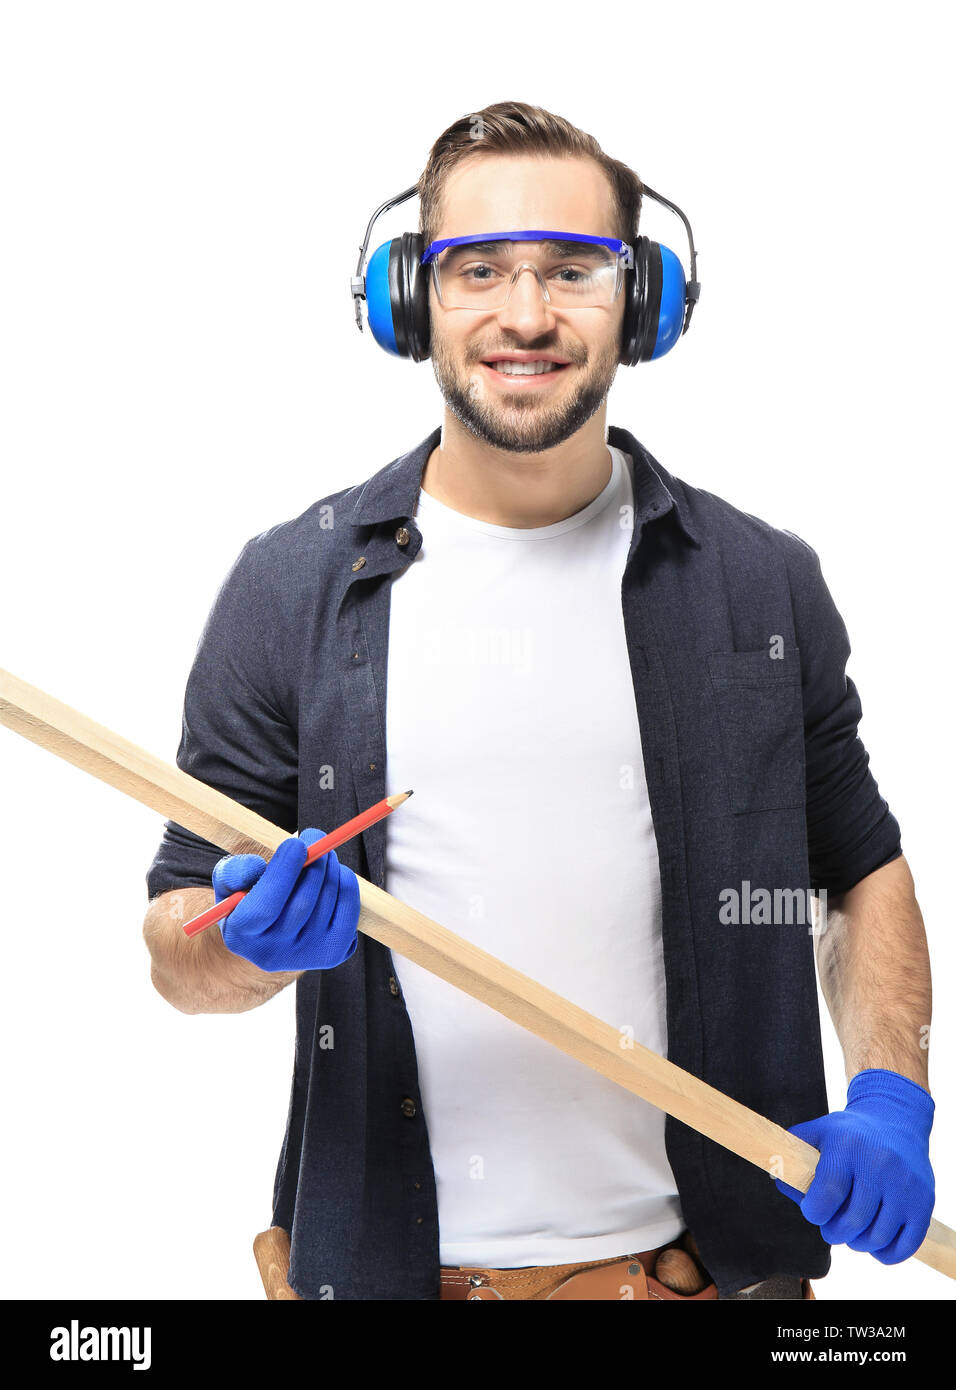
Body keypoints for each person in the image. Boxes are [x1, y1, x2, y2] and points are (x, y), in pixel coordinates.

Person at [142, 100, 936, 1301]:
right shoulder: (290, 585)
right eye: (477, 271)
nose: (525, 315)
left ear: (647, 303)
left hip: (702, 1285)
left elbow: (859, 867)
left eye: (573, 269)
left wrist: (888, 1095)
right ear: (409, 300)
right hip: (387, 1279)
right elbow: (175, 941)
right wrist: (243, 947)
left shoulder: (755, 580)